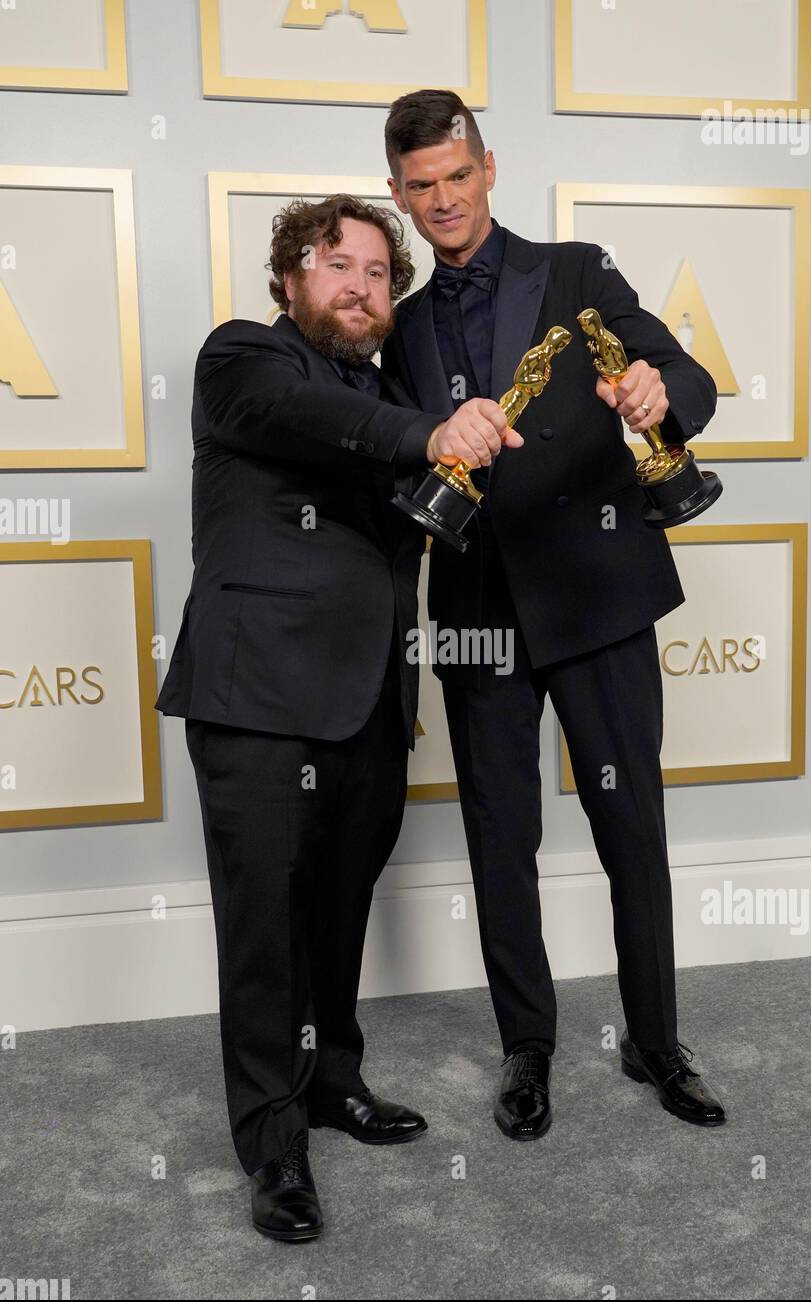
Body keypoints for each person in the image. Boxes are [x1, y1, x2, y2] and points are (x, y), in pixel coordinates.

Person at [155, 193, 519, 1239]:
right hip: (257, 698)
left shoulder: (390, 391)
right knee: (264, 929)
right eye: (336, 265)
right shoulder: (241, 362)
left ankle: (330, 1079)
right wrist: (429, 429)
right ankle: (271, 1147)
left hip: (368, 699)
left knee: (336, 908)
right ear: (288, 279)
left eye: (377, 274)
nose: (360, 287)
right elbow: (319, 421)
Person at [380, 90, 727, 1141]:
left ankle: (654, 1039)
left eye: (455, 175)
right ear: (397, 195)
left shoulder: (575, 269)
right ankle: (526, 1047)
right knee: (499, 834)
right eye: (419, 187)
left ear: (488, 168)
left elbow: (684, 369)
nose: (441, 199)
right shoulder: (394, 327)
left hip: (597, 593)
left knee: (630, 823)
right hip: (481, 607)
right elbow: (393, 462)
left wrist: (658, 393)